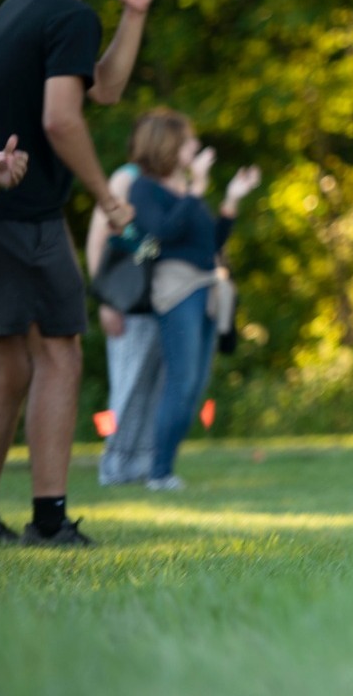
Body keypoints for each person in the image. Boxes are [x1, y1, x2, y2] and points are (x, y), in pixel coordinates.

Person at [0, 0, 154, 547]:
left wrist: (134, 16)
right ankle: (49, 518)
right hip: (23, 210)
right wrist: (107, 196)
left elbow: (108, 89)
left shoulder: (23, 10)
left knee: (10, 366)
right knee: (60, 355)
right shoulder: (67, 14)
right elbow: (61, 120)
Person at [124, 108, 259, 490]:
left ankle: (165, 467)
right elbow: (162, 232)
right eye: (189, 142)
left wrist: (231, 199)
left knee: (195, 385)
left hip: (206, 287)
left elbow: (210, 243)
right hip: (176, 290)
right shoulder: (144, 188)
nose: (195, 147)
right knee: (179, 381)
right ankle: (159, 472)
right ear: (168, 145)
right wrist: (197, 189)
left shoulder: (185, 190)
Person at [85, 157, 153, 486]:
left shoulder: (167, 180)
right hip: (126, 301)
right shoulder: (125, 178)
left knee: (149, 388)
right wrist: (107, 299)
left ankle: (139, 463)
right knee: (126, 386)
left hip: (155, 302)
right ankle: (113, 464)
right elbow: (99, 239)